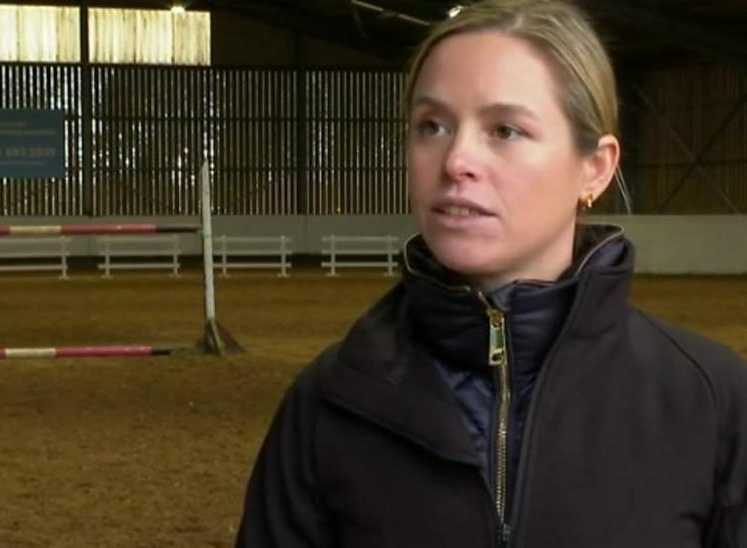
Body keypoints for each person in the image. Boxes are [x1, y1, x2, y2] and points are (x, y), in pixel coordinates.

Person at [234, 0, 747, 546]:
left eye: (504, 130)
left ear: (595, 168)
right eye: (432, 126)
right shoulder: (329, 401)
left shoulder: (712, 403)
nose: (456, 161)